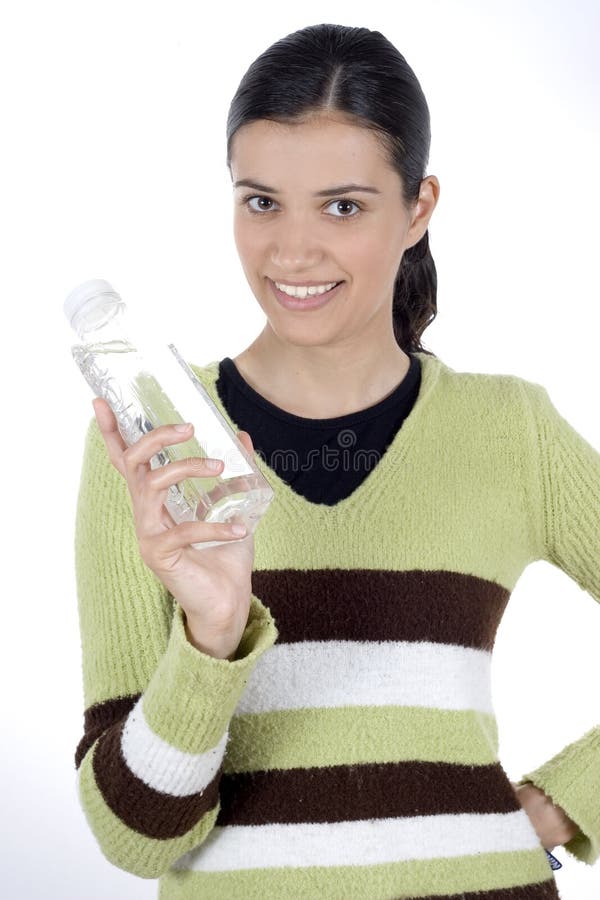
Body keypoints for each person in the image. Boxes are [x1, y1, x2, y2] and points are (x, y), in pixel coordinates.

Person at [73, 23, 600, 899]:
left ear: (419, 207)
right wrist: (211, 635)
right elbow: (134, 841)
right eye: (262, 201)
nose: (292, 251)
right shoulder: (151, 446)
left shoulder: (512, 430)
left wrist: (562, 802)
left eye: (344, 206)